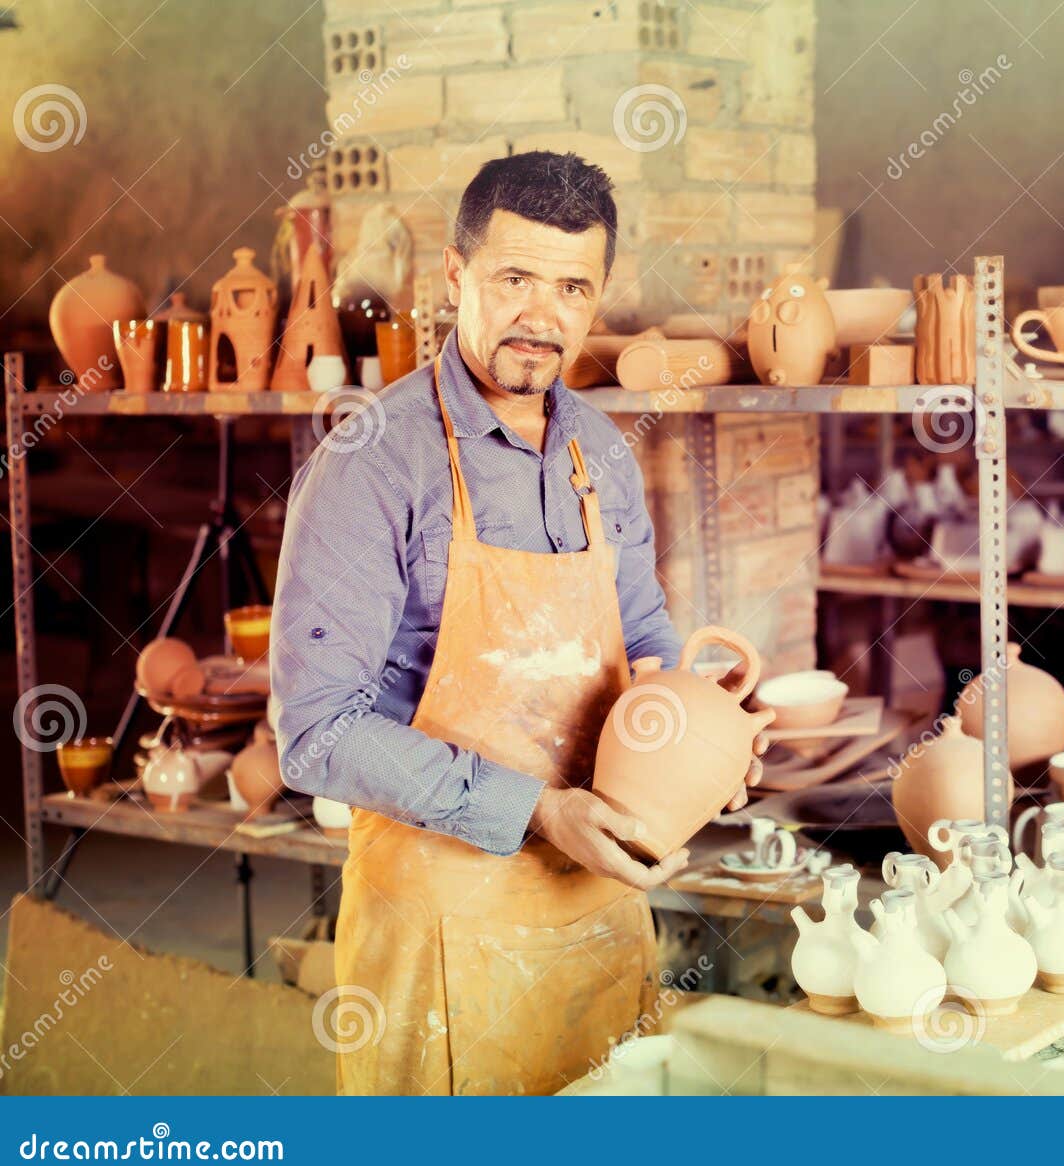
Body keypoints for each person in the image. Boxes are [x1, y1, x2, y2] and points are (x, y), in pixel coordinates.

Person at [270, 151, 756, 1095]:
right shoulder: (372, 462)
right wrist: (540, 811)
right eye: (515, 278)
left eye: (572, 286)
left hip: (602, 915)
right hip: (443, 934)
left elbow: (646, 641)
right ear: (456, 277)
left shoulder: (602, 453)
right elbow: (316, 735)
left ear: (598, 294)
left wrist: (707, 736)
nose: (543, 315)